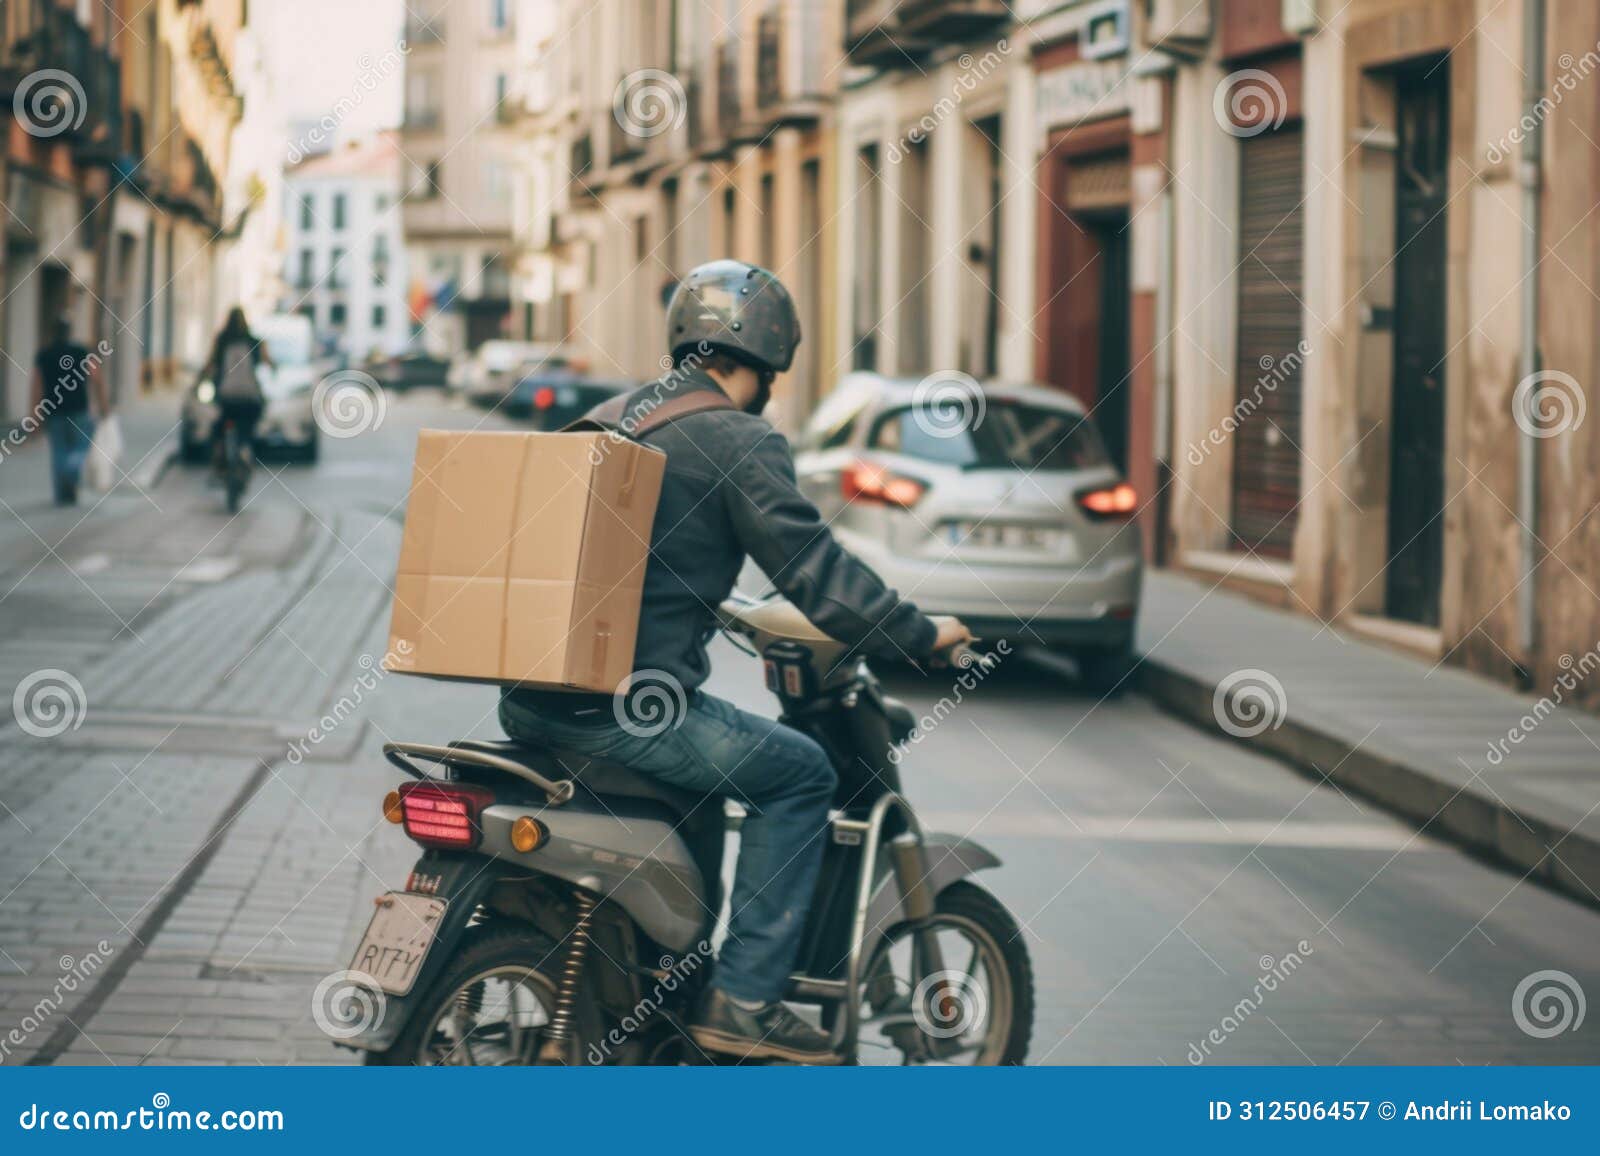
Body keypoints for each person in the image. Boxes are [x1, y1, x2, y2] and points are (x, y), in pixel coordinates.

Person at [499, 259, 971, 1064]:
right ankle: (745, 1002)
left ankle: (666, 987)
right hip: (629, 712)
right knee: (800, 773)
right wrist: (918, 635)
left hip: (534, 699)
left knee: (708, 786)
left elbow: (629, 560)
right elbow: (816, 573)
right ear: (762, 358)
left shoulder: (611, 418)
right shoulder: (737, 438)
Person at [30, 316, 108, 506]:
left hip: (54, 411)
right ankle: (73, 472)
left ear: (53, 333)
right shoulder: (80, 352)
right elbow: (96, 377)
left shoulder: (44, 354)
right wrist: (104, 404)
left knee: (58, 451)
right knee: (81, 446)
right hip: (79, 410)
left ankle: (62, 495)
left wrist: (34, 417)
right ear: (69, 332)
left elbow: (36, 387)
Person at [207, 307, 272, 471]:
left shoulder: (221, 340)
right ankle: (244, 449)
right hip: (249, 397)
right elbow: (268, 361)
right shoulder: (254, 341)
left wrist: (202, 377)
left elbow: (210, 364)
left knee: (219, 425)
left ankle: (220, 453)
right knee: (250, 423)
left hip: (226, 395)